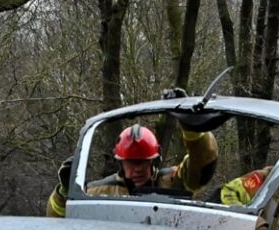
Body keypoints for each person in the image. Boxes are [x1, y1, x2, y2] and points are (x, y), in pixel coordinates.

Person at [47, 92, 223, 216]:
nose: (137, 169)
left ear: (154, 161)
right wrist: (63, 193)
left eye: (143, 162)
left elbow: (203, 165)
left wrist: (192, 129)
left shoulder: (174, 181)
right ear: (120, 163)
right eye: (131, 162)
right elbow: (60, 221)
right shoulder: (97, 192)